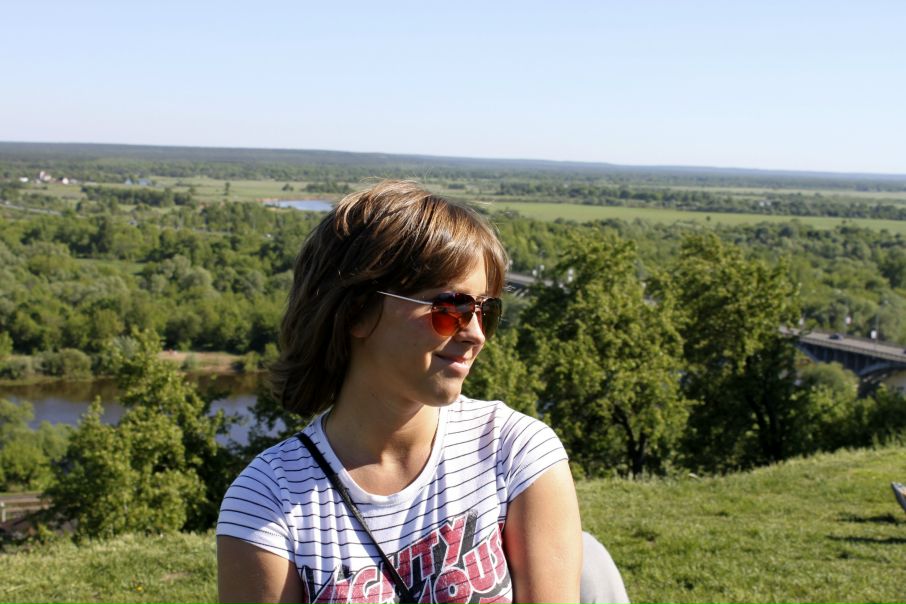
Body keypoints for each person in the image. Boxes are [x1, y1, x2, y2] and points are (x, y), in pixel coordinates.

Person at [217, 180, 626, 604]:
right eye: (451, 309)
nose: (476, 334)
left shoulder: (514, 450)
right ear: (356, 312)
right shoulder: (268, 499)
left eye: (486, 311)